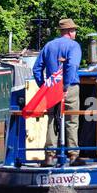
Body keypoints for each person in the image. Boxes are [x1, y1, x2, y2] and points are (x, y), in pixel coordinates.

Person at [33, 18, 83, 166]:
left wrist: (44, 86)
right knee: (72, 121)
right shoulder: (74, 46)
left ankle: (49, 156)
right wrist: (66, 87)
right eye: (74, 30)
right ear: (69, 31)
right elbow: (72, 66)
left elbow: (36, 69)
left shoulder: (48, 46)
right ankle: (73, 155)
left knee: (51, 120)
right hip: (70, 88)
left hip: (51, 88)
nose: (75, 32)